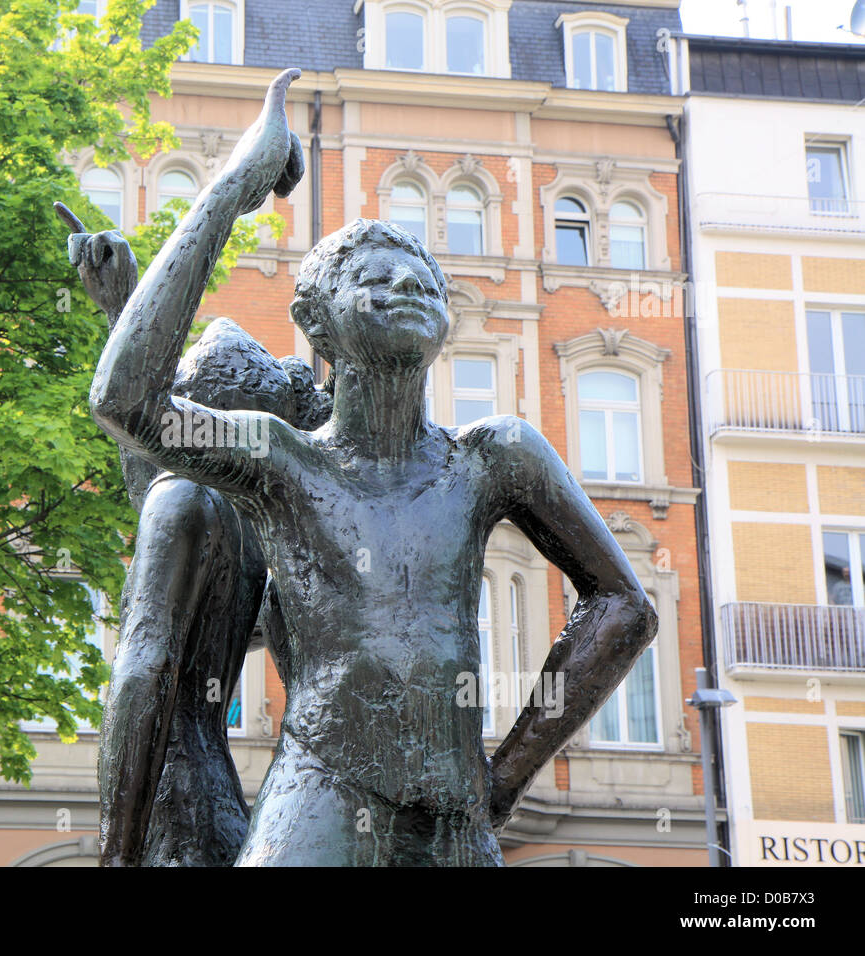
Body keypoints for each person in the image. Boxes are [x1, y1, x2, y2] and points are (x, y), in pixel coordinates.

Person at [89, 69, 659, 866]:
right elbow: (126, 401)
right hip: (322, 795)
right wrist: (231, 190)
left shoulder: (495, 454)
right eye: (373, 277)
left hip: (456, 817)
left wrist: (505, 779)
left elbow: (624, 605)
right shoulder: (280, 459)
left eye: (424, 278)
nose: (407, 284)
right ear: (314, 323)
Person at [59, 205, 329, 865]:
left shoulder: (185, 505)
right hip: (217, 791)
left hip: (172, 792)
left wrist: (115, 852)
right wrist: (122, 310)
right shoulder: (252, 525)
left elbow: (142, 672)